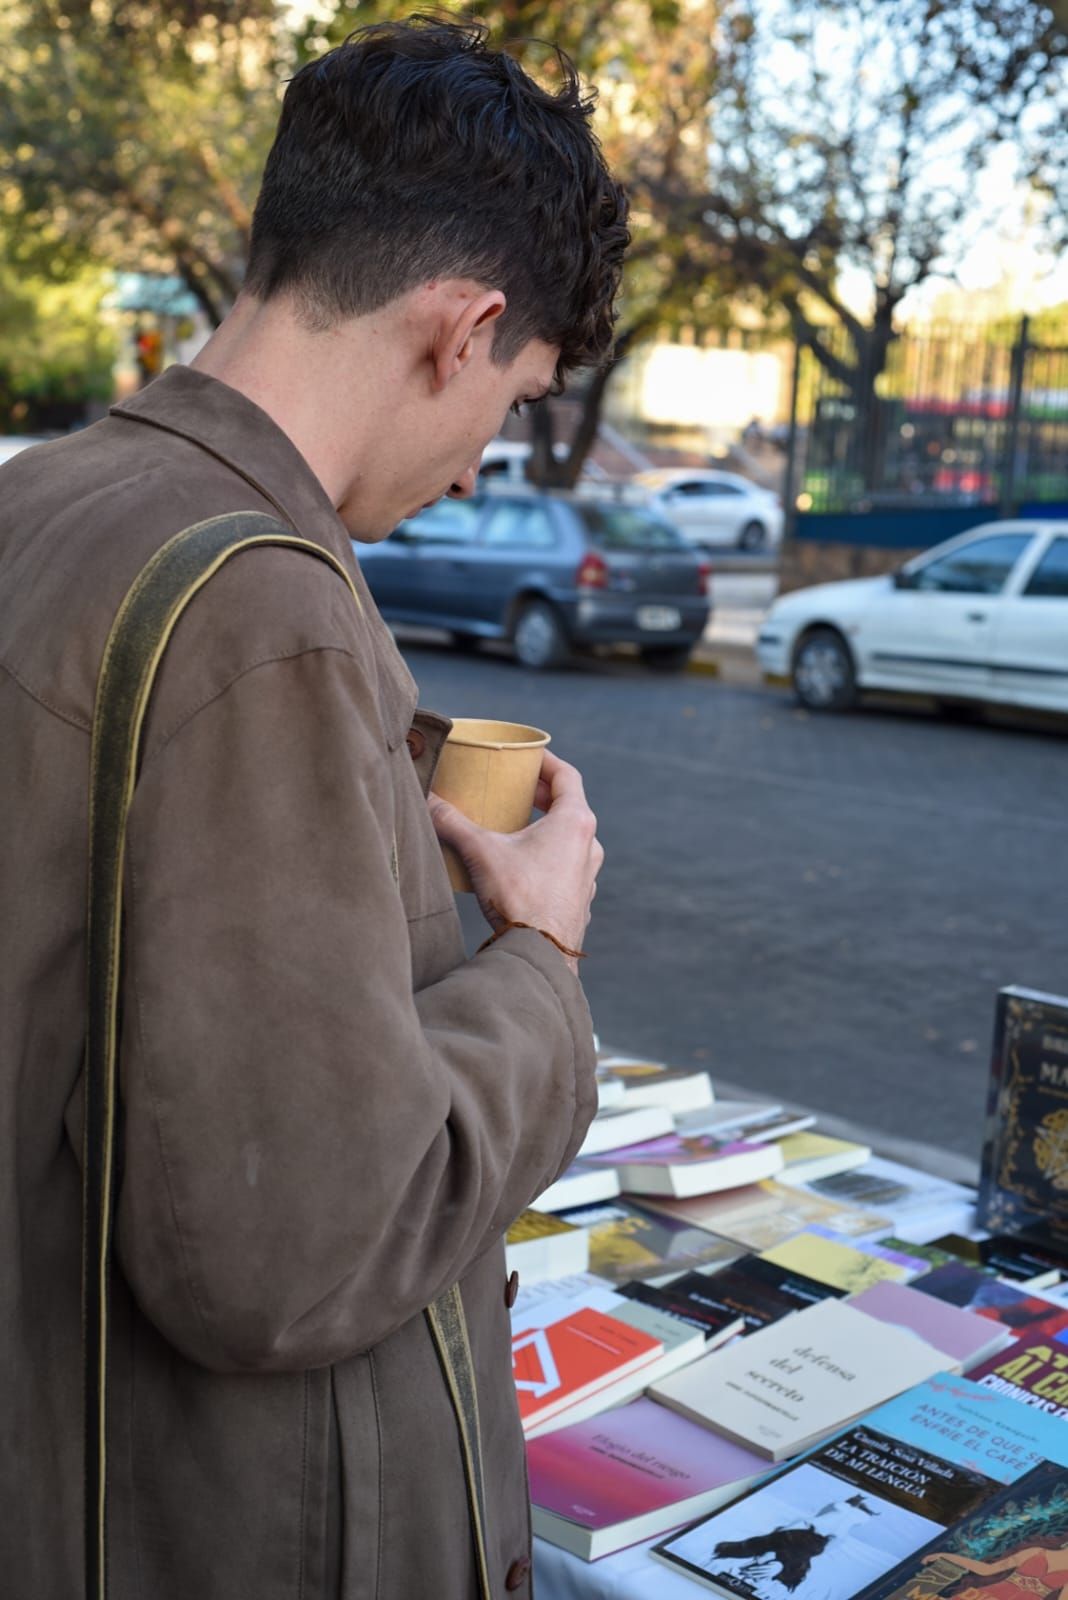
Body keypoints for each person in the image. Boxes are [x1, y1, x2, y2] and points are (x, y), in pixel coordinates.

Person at [0, 17, 627, 1599]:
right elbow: (298, 1246)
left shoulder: (43, 502)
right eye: (520, 391)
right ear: (458, 327)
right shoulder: (252, 597)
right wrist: (539, 964)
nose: (488, 461)